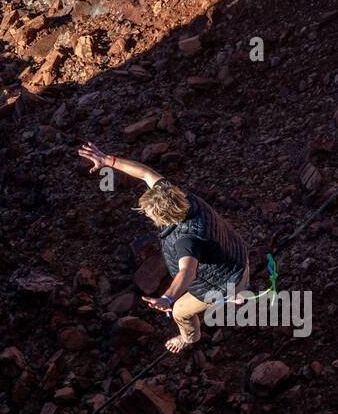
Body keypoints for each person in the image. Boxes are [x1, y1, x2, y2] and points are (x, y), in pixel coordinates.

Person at [79, 142, 249, 352]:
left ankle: (188, 338)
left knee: (180, 311)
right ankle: (239, 291)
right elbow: (145, 174)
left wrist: (168, 298)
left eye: (149, 213)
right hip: (236, 254)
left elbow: (187, 272)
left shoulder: (186, 239)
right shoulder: (179, 196)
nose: (146, 214)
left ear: (165, 218)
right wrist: (108, 161)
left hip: (226, 280)